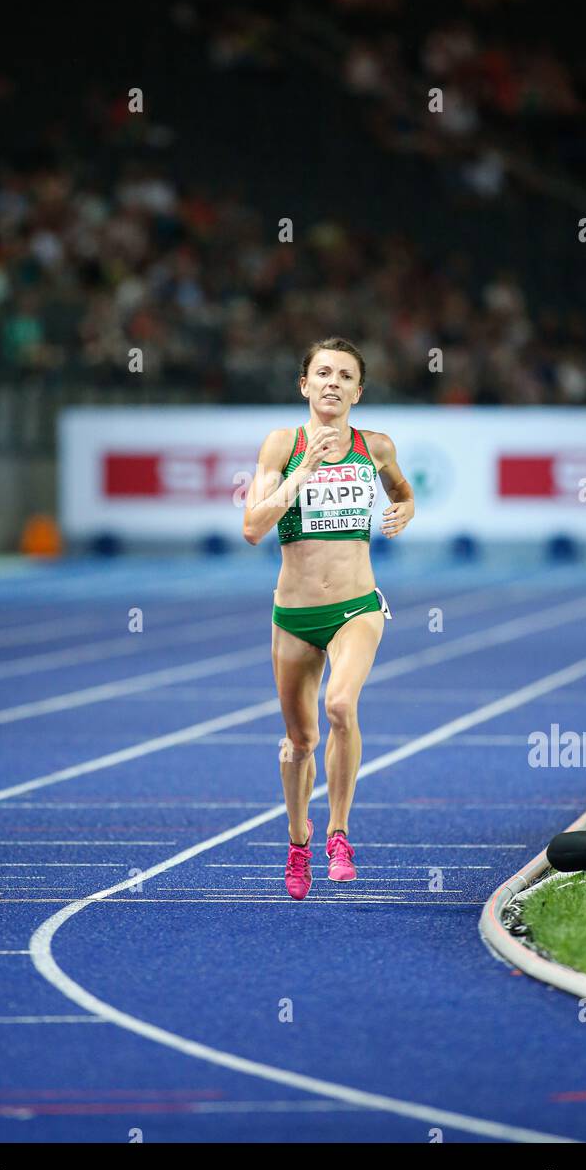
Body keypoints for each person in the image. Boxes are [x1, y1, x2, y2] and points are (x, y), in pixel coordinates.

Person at [242, 336, 415, 899]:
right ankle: (299, 843)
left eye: (345, 375)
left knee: (341, 704)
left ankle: (339, 833)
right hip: (293, 617)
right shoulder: (281, 445)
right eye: (323, 373)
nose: (333, 382)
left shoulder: (376, 446)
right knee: (299, 741)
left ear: (358, 392)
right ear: (305, 385)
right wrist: (302, 472)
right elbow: (252, 526)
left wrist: (405, 508)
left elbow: (402, 490)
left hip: (357, 606)